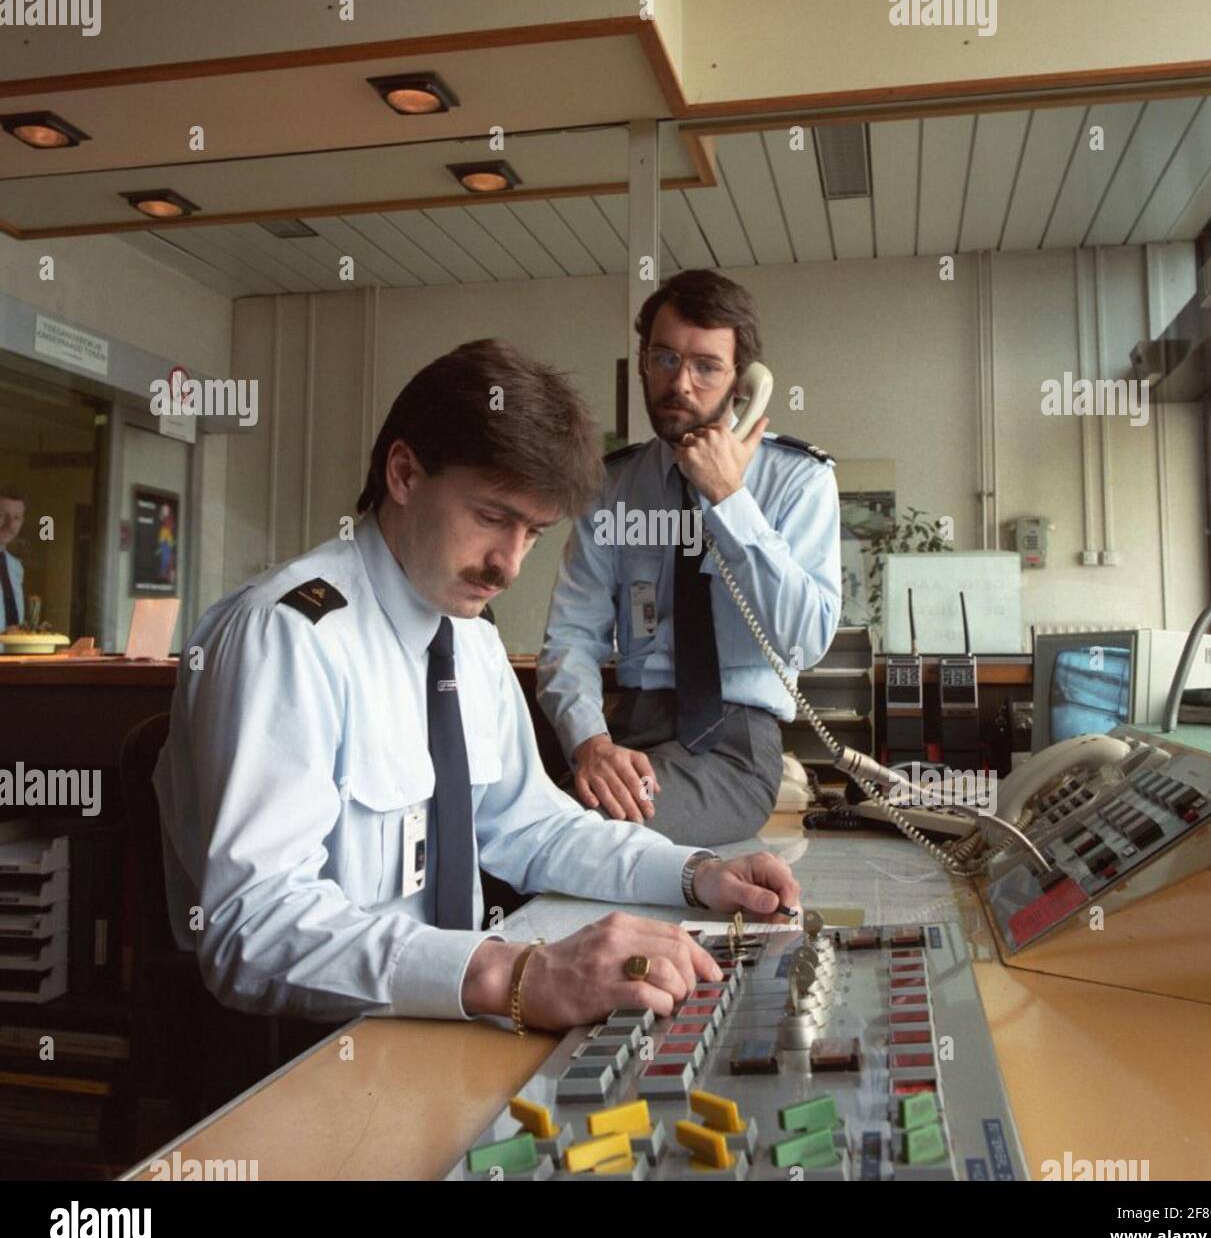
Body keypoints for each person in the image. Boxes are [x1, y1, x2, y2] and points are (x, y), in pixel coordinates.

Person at [154, 340, 799, 1028]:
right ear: (403, 473)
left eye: (534, 534)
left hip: (445, 1020)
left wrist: (691, 874)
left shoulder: (469, 640)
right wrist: (514, 973)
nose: (508, 565)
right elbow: (252, 927)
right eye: (491, 518)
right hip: (318, 1041)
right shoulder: (292, 635)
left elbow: (531, 826)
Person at [538, 270, 841, 846]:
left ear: (743, 383)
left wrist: (730, 500)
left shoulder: (798, 480)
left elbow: (805, 639)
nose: (681, 383)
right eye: (666, 359)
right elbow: (572, 637)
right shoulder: (614, 486)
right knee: (515, 823)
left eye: (706, 366)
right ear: (644, 362)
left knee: (577, 833)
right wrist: (591, 744)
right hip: (628, 732)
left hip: (733, 744)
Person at [0, 488, 26, 628]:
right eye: (1, 515)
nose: (10, 525)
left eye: (16, 518)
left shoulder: (16, 567)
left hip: (14, 649)